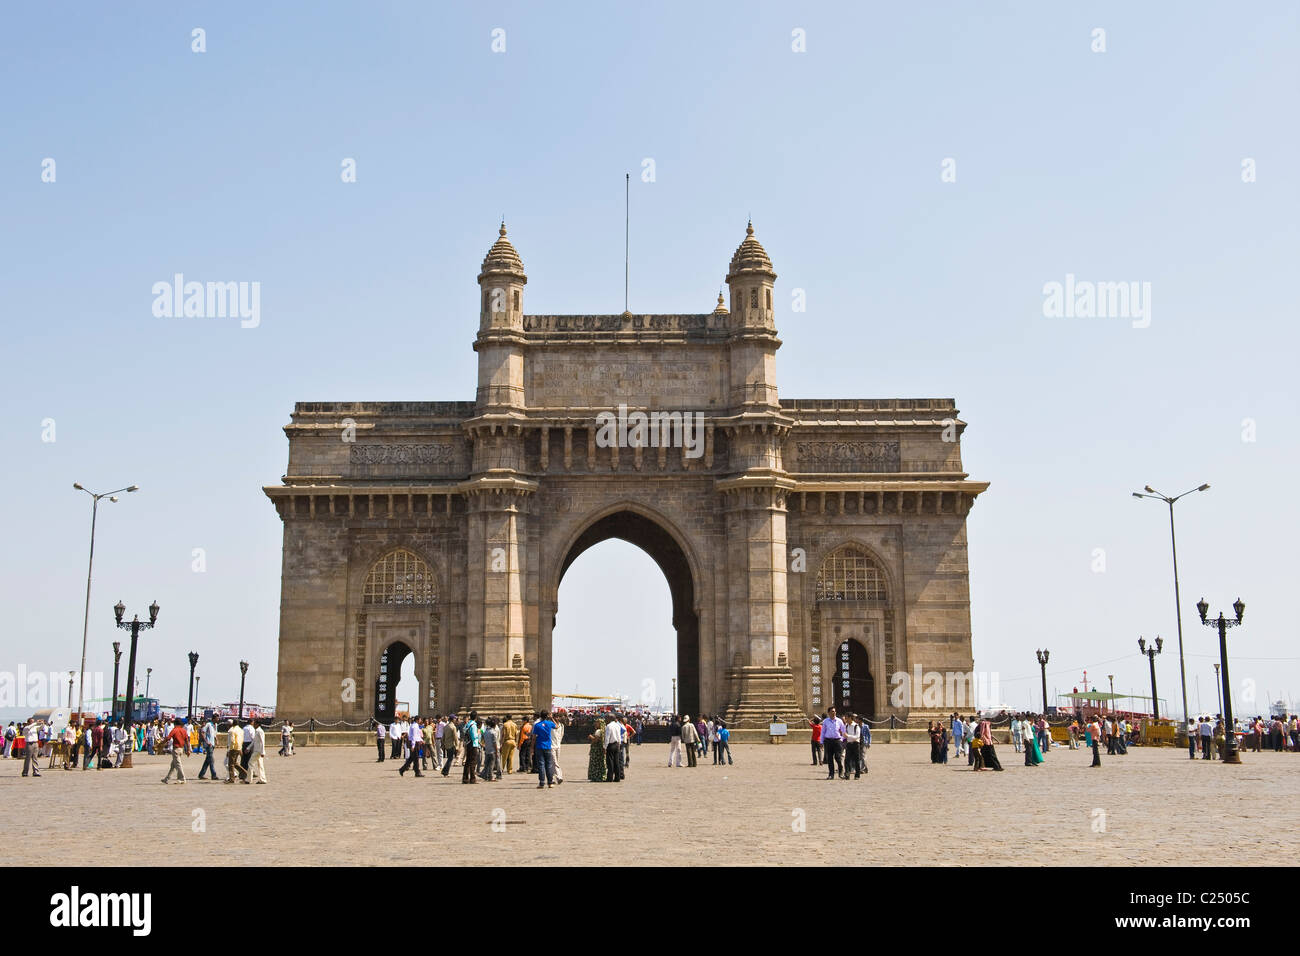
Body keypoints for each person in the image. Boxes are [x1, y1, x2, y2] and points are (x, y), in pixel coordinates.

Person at [161, 719, 191, 784]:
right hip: (181, 749)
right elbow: (187, 741)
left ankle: (182, 778)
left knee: (178, 764)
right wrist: (188, 750)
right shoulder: (184, 730)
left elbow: (168, 738)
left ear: (175, 724)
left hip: (176, 749)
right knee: (173, 765)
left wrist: (160, 744)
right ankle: (167, 778)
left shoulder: (174, 730)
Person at [532, 711, 557, 788]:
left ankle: (542, 783)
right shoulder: (549, 723)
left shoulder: (537, 725)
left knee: (541, 765)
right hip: (548, 746)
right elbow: (556, 726)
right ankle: (550, 782)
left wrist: (532, 747)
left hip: (539, 746)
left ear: (540, 716)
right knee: (549, 765)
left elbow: (534, 737)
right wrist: (552, 718)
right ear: (547, 716)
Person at [820, 707, 846, 780]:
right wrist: (821, 741)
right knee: (830, 759)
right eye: (832, 711)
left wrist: (842, 739)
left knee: (838, 757)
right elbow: (823, 732)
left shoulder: (839, 721)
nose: (834, 713)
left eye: (834, 711)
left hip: (837, 741)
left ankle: (841, 773)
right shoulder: (825, 721)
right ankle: (831, 774)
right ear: (829, 713)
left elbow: (843, 731)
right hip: (828, 741)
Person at [461, 712, 481, 784]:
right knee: (473, 762)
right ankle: (472, 779)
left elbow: (464, 730)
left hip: (468, 744)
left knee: (467, 762)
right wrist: (478, 733)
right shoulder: (473, 725)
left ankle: (465, 778)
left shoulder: (468, 724)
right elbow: (473, 736)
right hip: (473, 744)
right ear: (476, 717)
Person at [603, 714, 625, 782]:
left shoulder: (608, 726)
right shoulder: (617, 725)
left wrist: (604, 747)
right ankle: (617, 778)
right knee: (616, 762)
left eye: (606, 718)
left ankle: (609, 778)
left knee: (610, 762)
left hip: (610, 745)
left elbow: (607, 738)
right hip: (617, 744)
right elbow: (619, 735)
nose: (605, 720)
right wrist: (619, 744)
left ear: (610, 718)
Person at [246, 719, 267, 784]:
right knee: (260, 765)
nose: (253, 725)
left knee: (250, 763)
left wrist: (263, 752)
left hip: (258, 751)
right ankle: (262, 779)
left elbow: (263, 742)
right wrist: (248, 748)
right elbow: (254, 741)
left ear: (257, 724)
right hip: (258, 750)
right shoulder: (257, 731)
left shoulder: (260, 731)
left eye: (255, 724)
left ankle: (249, 779)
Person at [198, 716, 219, 780]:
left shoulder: (215, 725)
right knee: (211, 760)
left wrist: (216, 740)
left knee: (208, 760)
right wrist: (206, 741)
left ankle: (201, 774)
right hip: (209, 744)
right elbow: (202, 732)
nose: (218, 719)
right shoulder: (208, 724)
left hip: (212, 744)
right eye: (217, 718)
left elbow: (214, 734)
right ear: (213, 719)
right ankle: (213, 774)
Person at [588, 716, 608, 782]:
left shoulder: (598, 731)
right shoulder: (604, 730)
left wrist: (591, 737)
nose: (595, 724)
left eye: (597, 723)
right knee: (601, 763)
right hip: (601, 749)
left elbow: (595, 740)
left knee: (596, 763)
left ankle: (596, 776)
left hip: (596, 750)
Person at [843, 714, 862, 779]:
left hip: (855, 744)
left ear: (851, 718)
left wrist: (848, 736)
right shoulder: (846, 726)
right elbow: (844, 735)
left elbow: (857, 736)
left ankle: (857, 775)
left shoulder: (856, 726)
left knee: (856, 760)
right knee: (847, 760)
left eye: (847, 718)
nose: (846, 720)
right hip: (849, 744)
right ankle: (847, 774)